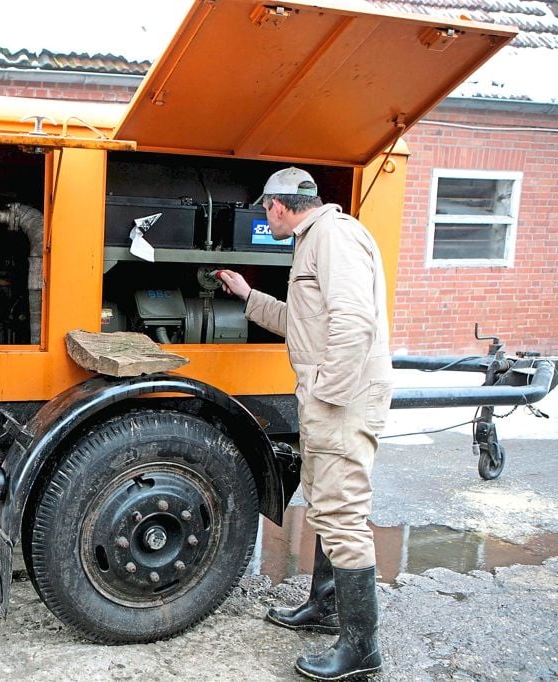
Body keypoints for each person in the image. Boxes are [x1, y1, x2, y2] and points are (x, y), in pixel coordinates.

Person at [218, 167, 392, 680]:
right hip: (332, 396)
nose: (263, 218)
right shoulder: (315, 238)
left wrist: (325, 394)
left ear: (277, 205)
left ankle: (362, 648)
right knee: (324, 504)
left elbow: (354, 322)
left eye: (263, 210)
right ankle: (328, 607)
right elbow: (304, 320)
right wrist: (248, 296)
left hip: (343, 399)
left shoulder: (333, 237)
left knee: (341, 515)